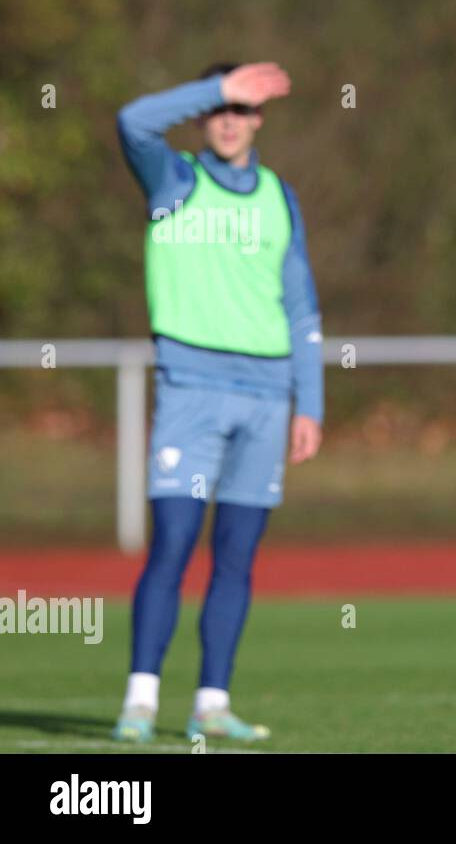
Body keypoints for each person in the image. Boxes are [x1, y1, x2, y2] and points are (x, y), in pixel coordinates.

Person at [111, 62, 324, 743]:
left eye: (242, 109)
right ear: (205, 116)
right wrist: (217, 86)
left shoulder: (278, 196)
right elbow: (132, 120)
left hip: (267, 399)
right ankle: (140, 702)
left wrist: (308, 403)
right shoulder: (173, 181)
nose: (231, 120)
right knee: (171, 545)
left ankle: (212, 703)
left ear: (261, 120)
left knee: (236, 557)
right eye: (221, 109)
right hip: (191, 395)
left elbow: (300, 307)